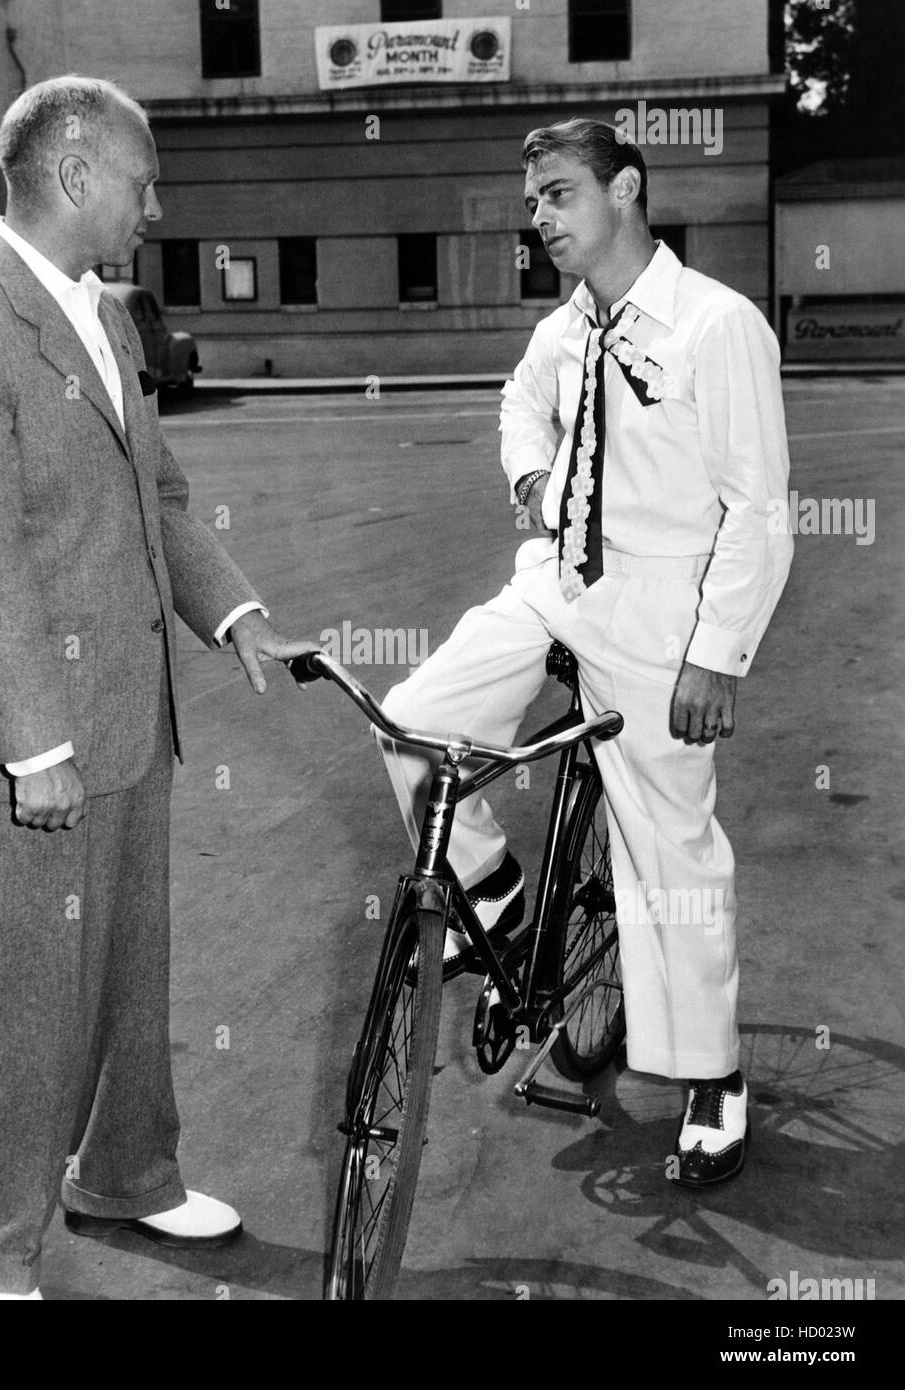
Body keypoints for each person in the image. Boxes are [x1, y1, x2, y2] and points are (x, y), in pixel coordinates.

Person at [0, 75, 316, 1300]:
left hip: (128, 719)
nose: (156, 204)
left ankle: (127, 1173)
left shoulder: (104, 314)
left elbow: (159, 495)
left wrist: (235, 614)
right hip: (28, 749)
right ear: (74, 176)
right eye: (142, 182)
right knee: (15, 1006)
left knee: (132, 972)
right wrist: (34, 745)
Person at [378, 118, 793, 1189]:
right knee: (414, 723)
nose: (542, 219)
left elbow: (758, 510)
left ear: (628, 189)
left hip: (661, 620)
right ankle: (498, 893)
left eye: (560, 195)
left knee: (670, 856)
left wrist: (718, 656)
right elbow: (521, 406)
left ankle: (714, 1076)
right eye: (534, 204)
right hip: (555, 587)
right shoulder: (568, 328)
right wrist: (529, 481)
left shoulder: (715, 325)